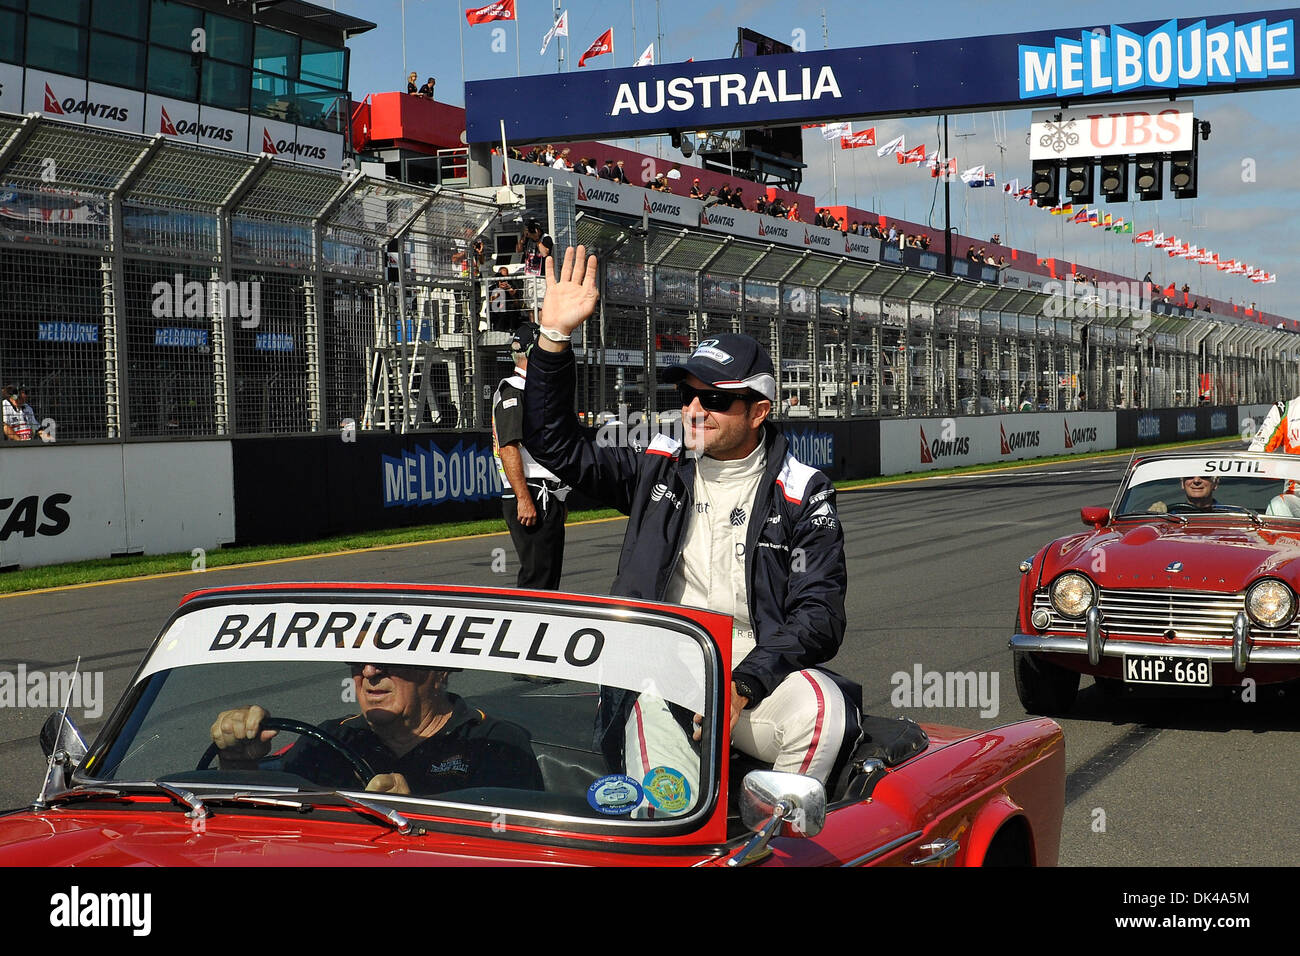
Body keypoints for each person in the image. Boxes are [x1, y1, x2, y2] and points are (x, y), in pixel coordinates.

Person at [522, 246, 861, 793]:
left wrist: (744, 684)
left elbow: (819, 615)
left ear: (759, 411)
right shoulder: (654, 463)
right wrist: (555, 338)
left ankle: (772, 839)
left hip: (755, 671)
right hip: (660, 663)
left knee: (824, 712)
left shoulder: (804, 492)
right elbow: (554, 444)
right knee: (667, 790)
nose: (694, 409)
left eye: (715, 399)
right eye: (687, 395)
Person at [210, 664, 543, 795]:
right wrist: (238, 765)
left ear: (439, 670)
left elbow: (516, 847)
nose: (369, 671)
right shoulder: (329, 739)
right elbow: (266, 832)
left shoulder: (494, 742)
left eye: (390, 653)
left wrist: (417, 811)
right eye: (359, 658)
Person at [493, 323, 569, 589]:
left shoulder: (531, 390)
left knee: (547, 578)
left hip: (546, 494)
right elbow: (508, 448)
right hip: (532, 494)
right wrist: (524, 499)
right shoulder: (513, 390)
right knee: (537, 580)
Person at [1150, 476, 1220, 514]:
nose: (1196, 481)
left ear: (1215, 483)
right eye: (1190, 476)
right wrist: (1153, 516)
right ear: (1182, 483)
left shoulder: (1228, 515)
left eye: (1204, 476)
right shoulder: (1170, 516)